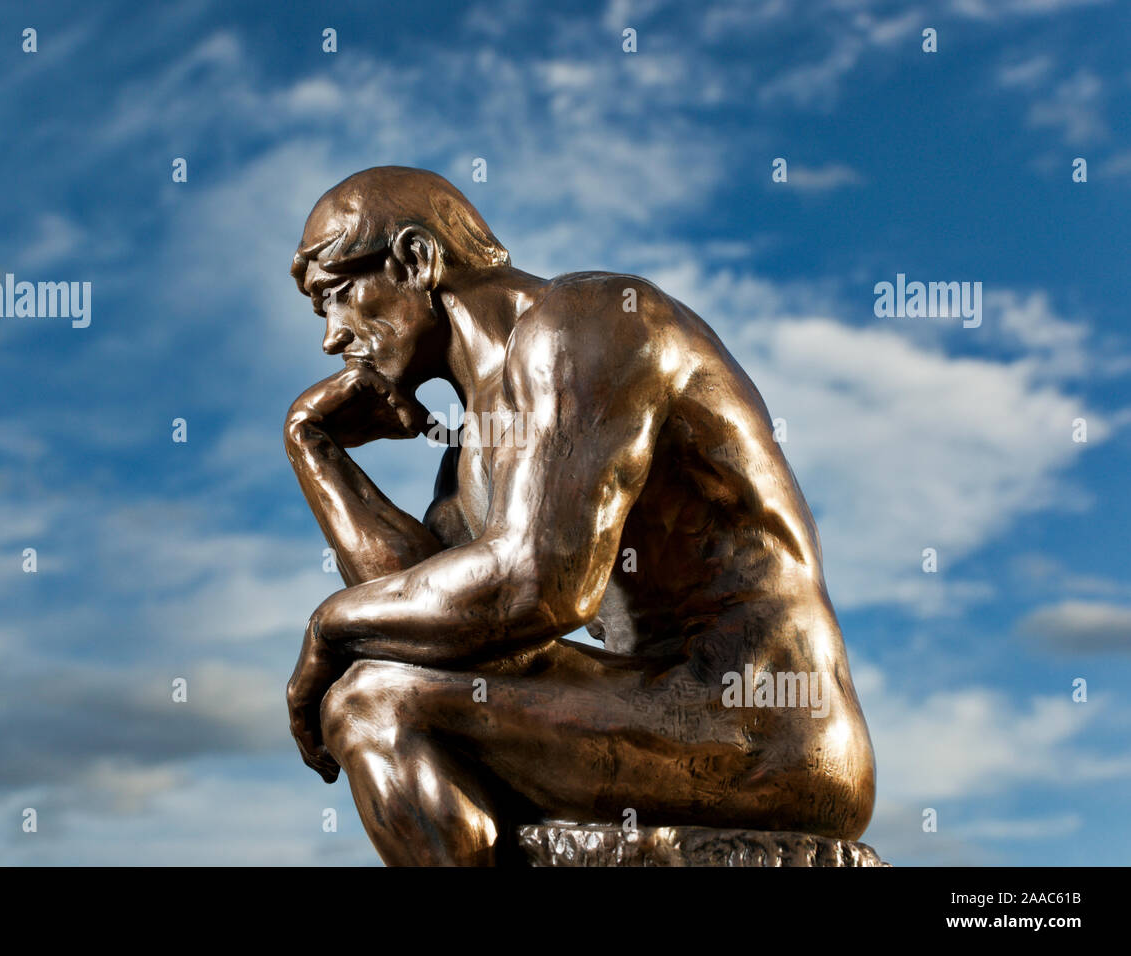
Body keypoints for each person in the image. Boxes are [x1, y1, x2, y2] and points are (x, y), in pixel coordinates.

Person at [283, 166, 875, 865]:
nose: (331, 337)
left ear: (416, 260)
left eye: (339, 295)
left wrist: (330, 625)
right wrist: (312, 447)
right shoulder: (476, 450)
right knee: (377, 686)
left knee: (370, 702)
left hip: (770, 728)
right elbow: (429, 621)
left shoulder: (590, 322)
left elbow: (537, 587)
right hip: (653, 709)